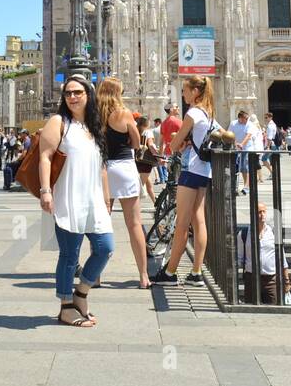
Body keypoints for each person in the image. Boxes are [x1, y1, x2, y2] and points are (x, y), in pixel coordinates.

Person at [38, 74, 113, 328]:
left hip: (93, 198)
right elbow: (45, 157)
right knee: (70, 255)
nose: (72, 97)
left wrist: (106, 196)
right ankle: (66, 307)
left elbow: (101, 165)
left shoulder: (94, 125)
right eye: (68, 93)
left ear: (88, 95)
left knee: (105, 247)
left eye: (77, 92)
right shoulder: (59, 122)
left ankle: (81, 293)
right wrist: (45, 190)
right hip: (68, 196)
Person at [153, 76, 224, 286]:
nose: (182, 95)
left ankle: (170, 272)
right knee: (198, 219)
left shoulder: (193, 113)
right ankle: (196, 272)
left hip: (190, 169)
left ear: (195, 91)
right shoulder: (209, 114)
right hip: (204, 170)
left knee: (182, 222)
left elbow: (173, 145)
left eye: (184, 90)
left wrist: (177, 141)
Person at [98, 77, 150, 289]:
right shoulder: (124, 113)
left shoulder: (95, 115)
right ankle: (144, 276)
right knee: (134, 224)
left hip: (103, 170)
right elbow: (137, 143)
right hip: (125, 168)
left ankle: (96, 275)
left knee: (100, 224)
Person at [239, 201, 290, 303]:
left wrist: (287, 280)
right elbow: (239, 258)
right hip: (252, 279)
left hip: (271, 280)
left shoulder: (273, 233)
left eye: (264, 212)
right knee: (251, 309)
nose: (262, 215)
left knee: (273, 309)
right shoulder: (243, 234)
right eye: (259, 212)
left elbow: (282, 258)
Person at [228, 109, 254, 195]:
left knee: (244, 167)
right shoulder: (233, 123)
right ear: (239, 118)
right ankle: (234, 186)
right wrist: (235, 144)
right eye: (245, 118)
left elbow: (248, 135)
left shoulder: (249, 124)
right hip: (235, 148)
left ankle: (246, 186)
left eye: (247, 118)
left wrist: (242, 144)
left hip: (247, 148)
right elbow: (230, 134)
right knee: (234, 167)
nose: (246, 120)